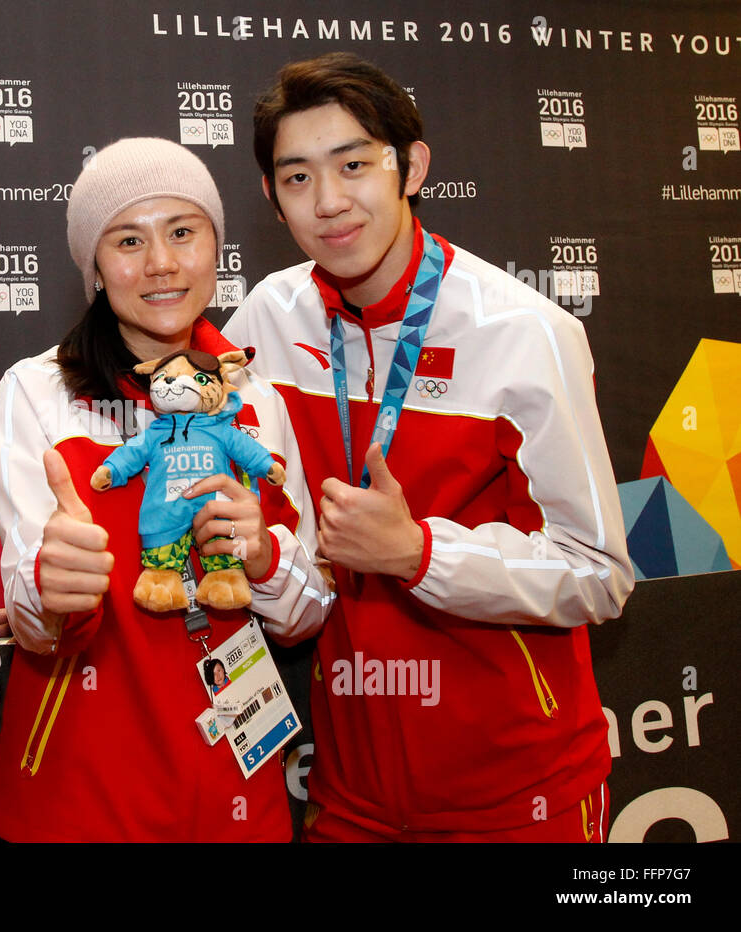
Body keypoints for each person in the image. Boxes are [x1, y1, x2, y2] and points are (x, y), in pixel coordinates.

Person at [225, 53, 634, 842]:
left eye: (353, 165)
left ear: (411, 167)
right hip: (350, 790)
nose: (331, 202)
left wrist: (418, 553)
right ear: (273, 200)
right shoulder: (266, 325)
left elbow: (599, 573)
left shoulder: (524, 332)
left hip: (519, 792)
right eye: (298, 177)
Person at [0, 137, 333, 842]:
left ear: (215, 247)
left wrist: (264, 557)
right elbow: (29, 616)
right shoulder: (36, 393)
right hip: (76, 800)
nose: (162, 264)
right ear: (95, 267)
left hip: (234, 792)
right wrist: (53, 583)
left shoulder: (259, 401)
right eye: (128, 240)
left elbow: (306, 614)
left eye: (182, 232)